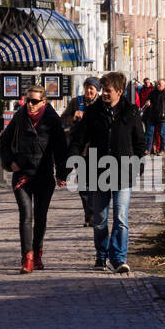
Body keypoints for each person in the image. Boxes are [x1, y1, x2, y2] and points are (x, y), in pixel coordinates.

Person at [65, 71, 145, 274]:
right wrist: (71, 162)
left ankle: (118, 258)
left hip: (122, 171)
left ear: (119, 91)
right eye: (103, 91)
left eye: (108, 91)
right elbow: (79, 138)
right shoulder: (93, 112)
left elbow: (139, 142)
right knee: (99, 219)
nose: (104, 94)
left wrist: (138, 164)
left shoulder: (131, 112)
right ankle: (101, 254)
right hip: (98, 171)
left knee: (120, 217)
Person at [0, 86, 67, 273]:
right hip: (22, 175)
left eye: (34, 101)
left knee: (41, 217)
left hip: (44, 175)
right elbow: (3, 141)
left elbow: (61, 148)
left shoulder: (52, 120)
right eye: (28, 100)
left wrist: (62, 173)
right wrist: (9, 161)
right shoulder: (20, 117)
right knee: (26, 216)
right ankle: (27, 257)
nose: (30, 104)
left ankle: (37, 253)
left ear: (43, 102)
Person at [60, 76, 101, 226]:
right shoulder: (76, 102)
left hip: (97, 149)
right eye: (87, 87)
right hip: (80, 150)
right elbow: (62, 120)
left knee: (97, 183)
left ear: (97, 90)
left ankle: (97, 213)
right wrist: (72, 117)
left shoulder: (102, 103)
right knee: (83, 184)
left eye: (92, 88)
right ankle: (89, 215)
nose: (89, 91)